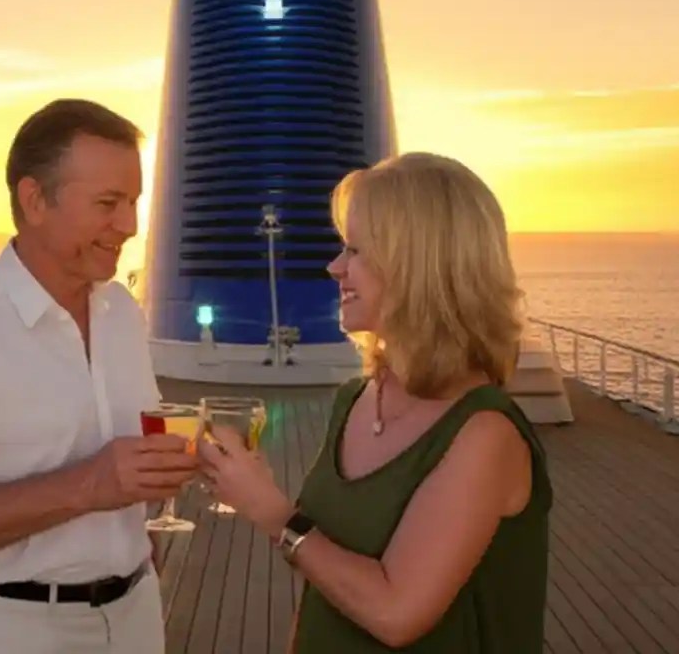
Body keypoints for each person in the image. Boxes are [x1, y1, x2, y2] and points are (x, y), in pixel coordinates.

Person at [197, 152, 551, 652]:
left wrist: (270, 510)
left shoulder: (484, 432)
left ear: (418, 267)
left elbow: (395, 612)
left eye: (356, 251)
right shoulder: (356, 400)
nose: (335, 266)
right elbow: (323, 587)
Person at [0, 99, 198, 654]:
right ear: (35, 200)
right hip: (7, 628)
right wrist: (89, 485)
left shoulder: (122, 313)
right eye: (109, 203)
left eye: (133, 202)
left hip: (135, 615)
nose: (129, 225)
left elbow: (136, 460)